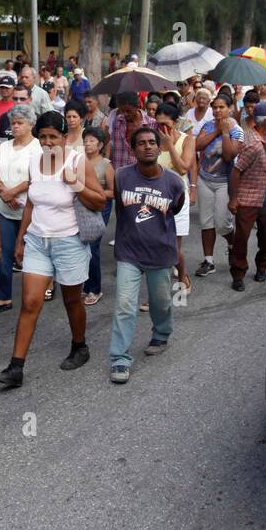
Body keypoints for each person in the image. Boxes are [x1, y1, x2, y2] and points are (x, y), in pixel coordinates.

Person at [0, 112, 106, 388]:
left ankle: (79, 346)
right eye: (42, 136)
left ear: (64, 136)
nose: (47, 142)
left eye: (52, 137)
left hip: (69, 242)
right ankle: (15, 367)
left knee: (72, 301)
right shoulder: (34, 161)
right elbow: (32, 203)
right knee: (30, 303)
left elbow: (100, 202)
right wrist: (21, 238)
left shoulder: (77, 162)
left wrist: (75, 184)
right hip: (37, 241)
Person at [107, 127, 186, 384]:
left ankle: (161, 335)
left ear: (159, 147)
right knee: (124, 305)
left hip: (160, 254)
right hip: (129, 252)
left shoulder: (173, 182)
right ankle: (120, 358)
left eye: (152, 142)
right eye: (141, 143)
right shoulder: (121, 177)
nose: (148, 146)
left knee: (161, 302)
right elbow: (118, 207)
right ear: (133, 149)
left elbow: (175, 208)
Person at [0, 103, 40, 314]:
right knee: (2, 252)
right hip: (5, 207)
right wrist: (4, 193)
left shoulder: (38, 147)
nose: (15, 127)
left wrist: (14, 191)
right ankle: (2, 298)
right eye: (13, 123)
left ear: (31, 124)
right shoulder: (5, 146)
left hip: (30, 208)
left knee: (31, 254)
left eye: (20, 123)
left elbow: (35, 177)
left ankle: (37, 292)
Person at [229, 101, 266, 289]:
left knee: (265, 235)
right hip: (248, 196)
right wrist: (234, 199)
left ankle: (262, 268)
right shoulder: (252, 144)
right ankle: (238, 274)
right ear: (265, 121)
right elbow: (236, 171)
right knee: (242, 238)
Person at [193, 94, 244, 273]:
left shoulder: (237, 130)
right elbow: (197, 146)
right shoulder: (207, 125)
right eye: (215, 107)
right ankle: (208, 261)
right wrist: (216, 130)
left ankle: (231, 245)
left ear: (229, 108)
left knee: (223, 223)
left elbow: (229, 156)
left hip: (225, 182)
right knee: (206, 222)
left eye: (221, 107)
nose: (217, 110)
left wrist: (224, 132)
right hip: (204, 179)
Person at [155, 102, 195, 293]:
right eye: (158, 125)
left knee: (173, 247)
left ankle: (183, 276)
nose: (162, 129)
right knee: (157, 245)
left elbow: (183, 168)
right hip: (156, 199)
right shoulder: (152, 140)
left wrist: (170, 145)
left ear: (176, 122)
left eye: (167, 125)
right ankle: (158, 290)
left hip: (178, 200)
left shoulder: (186, 140)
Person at [82, 125, 115, 307]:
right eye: (85, 140)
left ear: (100, 145)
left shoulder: (106, 165)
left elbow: (113, 191)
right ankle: (86, 286)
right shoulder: (78, 162)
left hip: (101, 206)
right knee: (82, 245)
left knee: (93, 246)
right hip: (81, 206)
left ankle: (95, 289)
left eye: (92, 141)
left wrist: (95, 193)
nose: (88, 144)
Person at [107, 91, 157, 174]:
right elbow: (109, 142)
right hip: (119, 172)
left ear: (137, 107)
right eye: (122, 110)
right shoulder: (117, 121)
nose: (124, 114)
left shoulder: (151, 123)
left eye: (128, 111)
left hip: (141, 173)